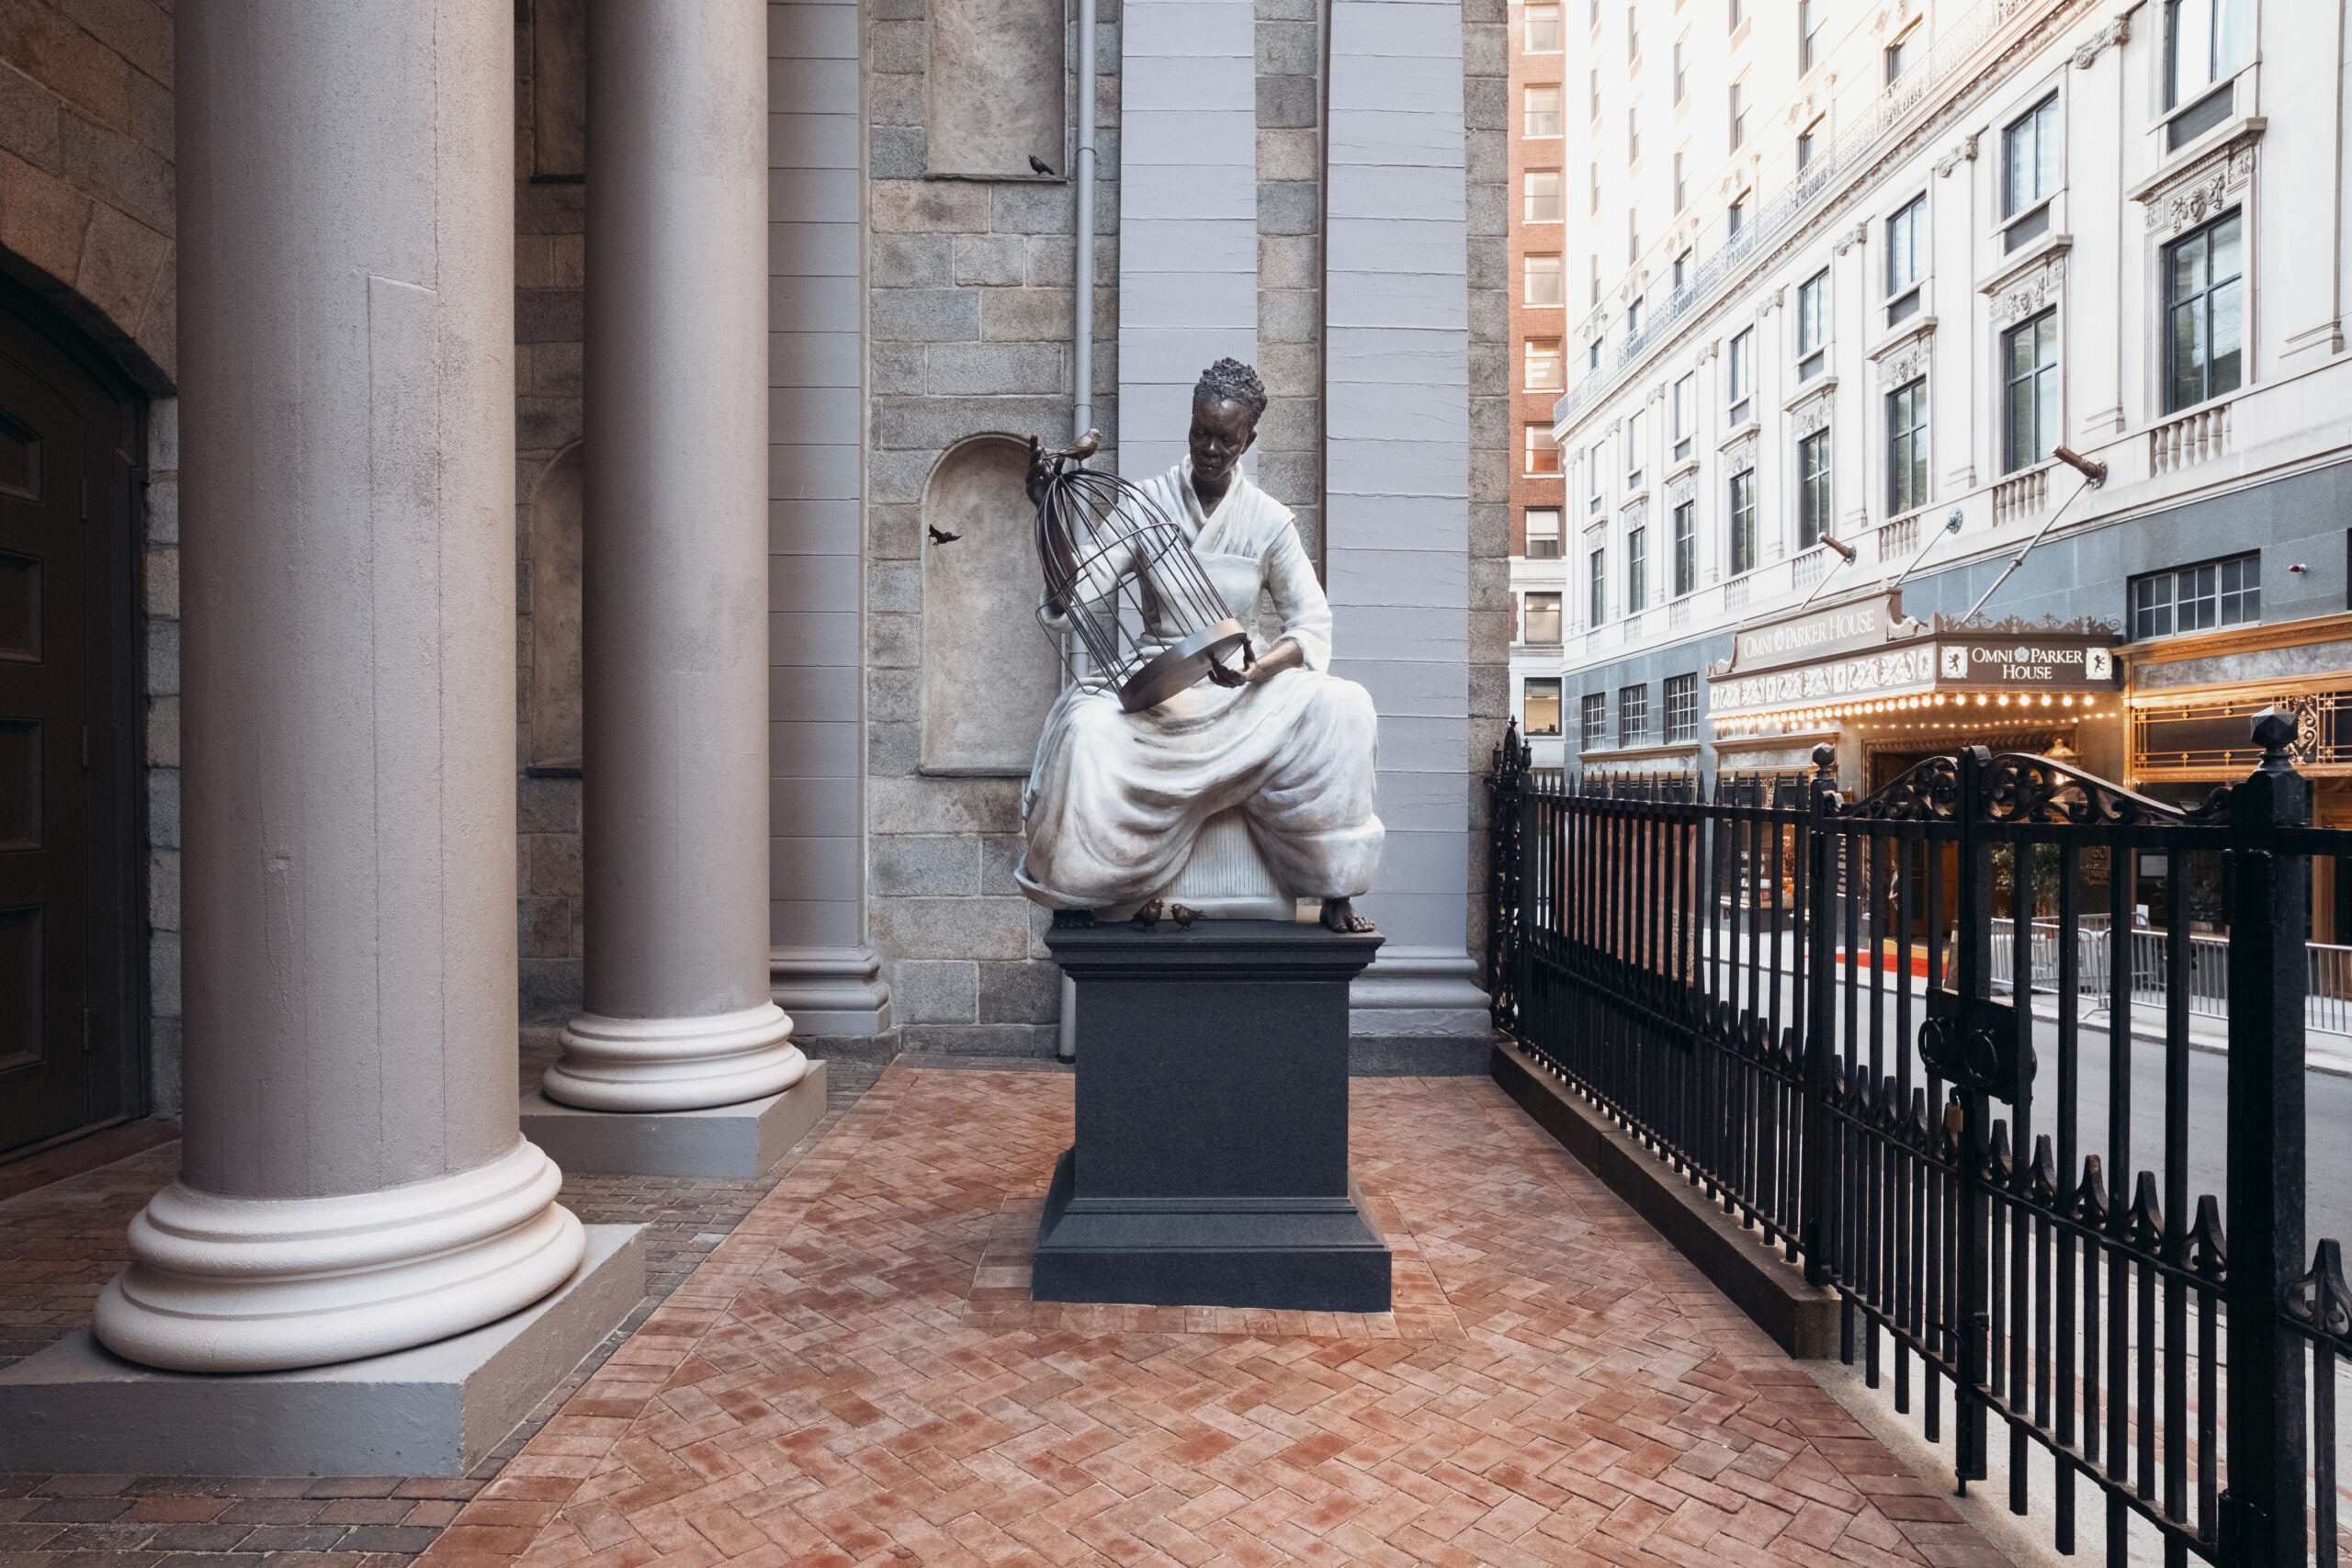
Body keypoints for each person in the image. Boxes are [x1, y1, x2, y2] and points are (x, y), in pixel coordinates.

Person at [1016, 358, 1382, 932]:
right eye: (1200, 432)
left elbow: (1311, 626)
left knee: (1346, 705)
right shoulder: (1145, 503)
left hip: (1244, 687)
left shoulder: (1268, 521)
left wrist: (1264, 666)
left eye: (1225, 439)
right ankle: (1088, 888)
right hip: (1159, 686)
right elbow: (1075, 596)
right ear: (1190, 424)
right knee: (1087, 731)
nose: (1209, 448)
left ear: (1248, 441)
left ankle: (1332, 888)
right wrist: (1049, 516)